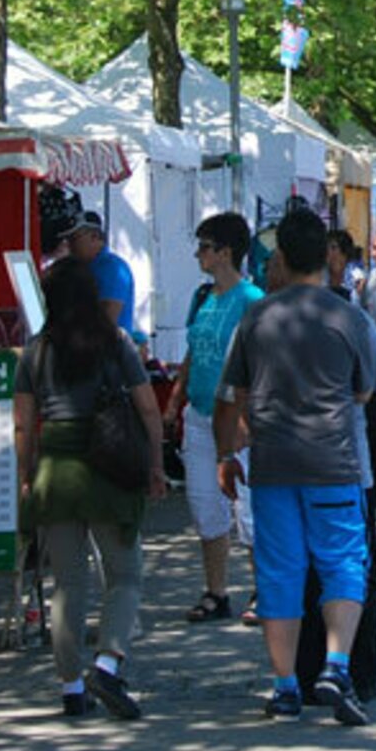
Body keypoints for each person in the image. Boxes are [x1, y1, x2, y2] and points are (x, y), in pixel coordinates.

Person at [218, 206, 376, 725]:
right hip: (333, 460)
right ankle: (337, 666)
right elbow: (366, 389)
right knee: (344, 563)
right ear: (327, 255)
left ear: (279, 257)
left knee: (280, 571)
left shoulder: (256, 317)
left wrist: (228, 454)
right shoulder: (349, 316)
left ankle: (284, 686)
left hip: (273, 462)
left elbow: (236, 394)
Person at [15, 258, 166, 719]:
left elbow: (23, 425)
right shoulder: (114, 342)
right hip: (109, 465)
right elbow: (147, 408)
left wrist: (26, 476)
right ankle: (108, 660)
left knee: (67, 583)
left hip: (57, 470)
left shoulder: (35, 351)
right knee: (125, 574)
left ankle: (71, 687)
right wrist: (156, 464)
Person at [172, 212, 261, 625]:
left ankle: (263, 589)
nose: (197, 254)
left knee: (247, 507)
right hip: (200, 412)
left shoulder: (252, 300)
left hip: (237, 418)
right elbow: (193, 351)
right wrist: (175, 399)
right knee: (205, 503)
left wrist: (248, 416)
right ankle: (216, 589)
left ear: (225, 252)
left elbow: (261, 362)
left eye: (204, 246)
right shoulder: (203, 297)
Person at [63, 215, 145, 346]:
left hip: (107, 356)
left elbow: (107, 320)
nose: (70, 246)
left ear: (94, 237)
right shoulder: (84, 267)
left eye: (74, 239)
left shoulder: (112, 268)